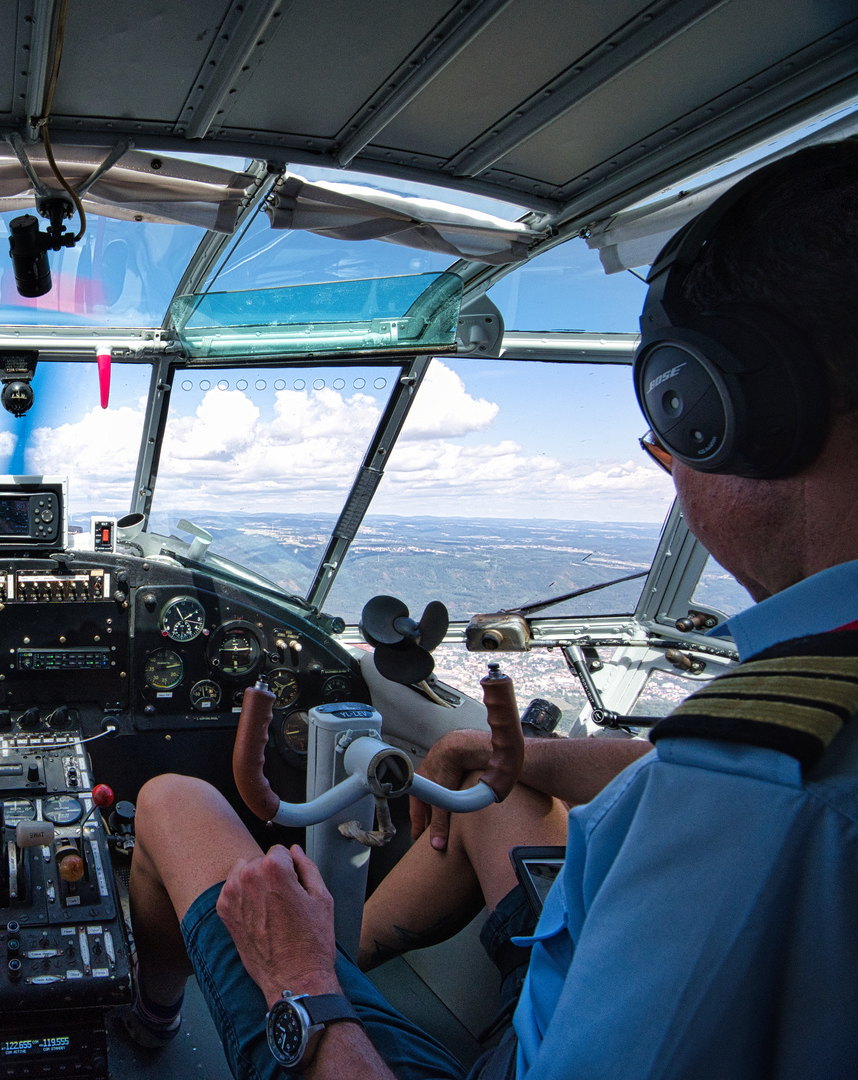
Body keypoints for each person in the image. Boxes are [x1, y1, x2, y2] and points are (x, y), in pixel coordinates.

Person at [123, 139, 858, 1080]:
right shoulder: (764, 757)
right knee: (496, 787)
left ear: (719, 409)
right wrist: (528, 755)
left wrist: (294, 975)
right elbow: (683, 772)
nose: (672, 477)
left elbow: (730, 791)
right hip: (571, 971)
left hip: (526, 1048)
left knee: (176, 800)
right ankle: (357, 966)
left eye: (664, 442)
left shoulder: (754, 800)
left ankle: (231, 1000)